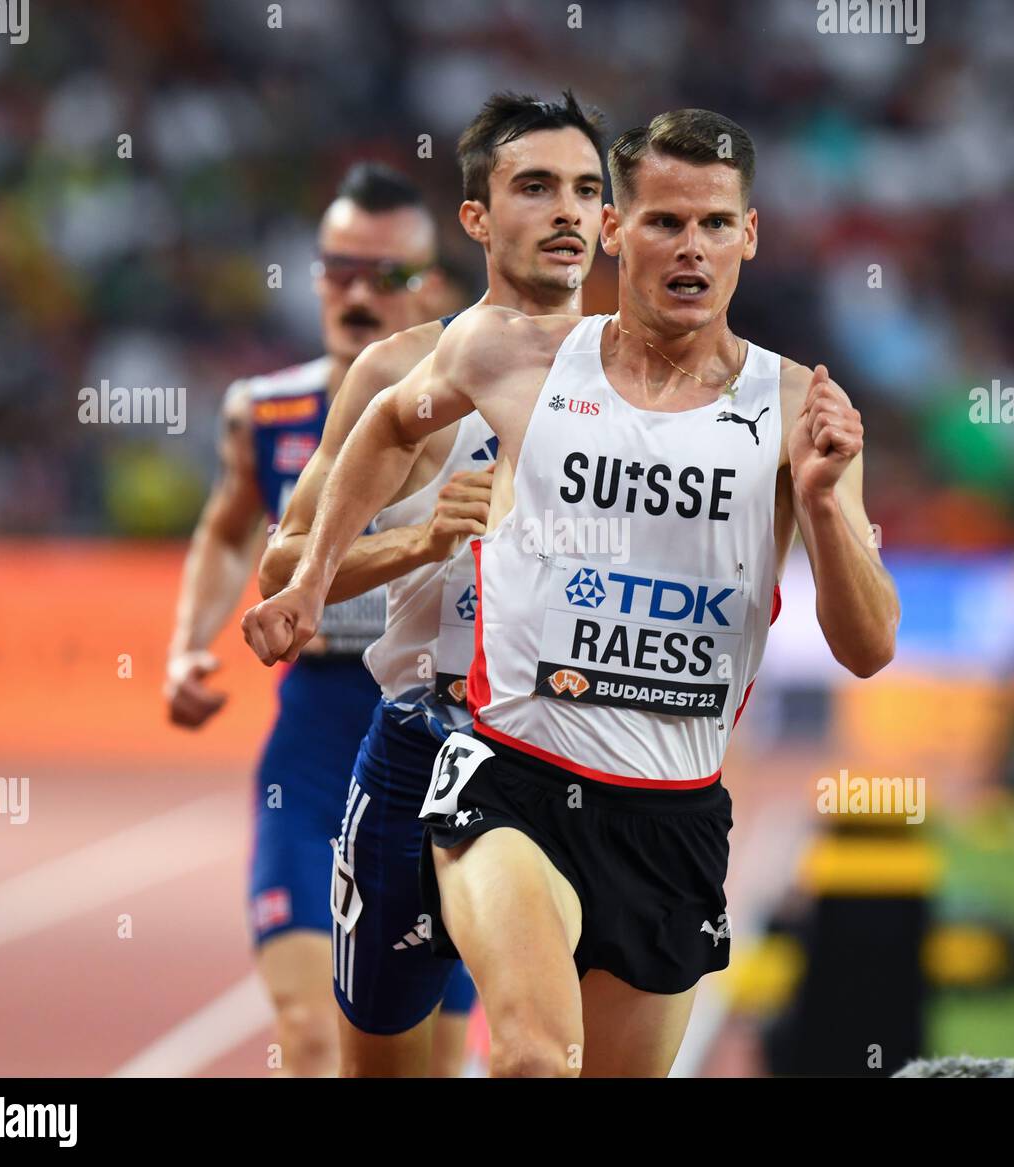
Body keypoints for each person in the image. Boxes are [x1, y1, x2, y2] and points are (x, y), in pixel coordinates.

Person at [243, 108, 900, 1077]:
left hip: (670, 815)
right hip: (501, 775)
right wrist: (310, 579)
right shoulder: (509, 357)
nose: (691, 247)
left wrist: (826, 510)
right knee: (529, 1059)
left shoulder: (800, 408)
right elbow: (385, 424)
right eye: (665, 222)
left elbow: (868, 646)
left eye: (716, 224)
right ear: (618, 235)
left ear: (749, 237)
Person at [251, 90, 606, 1077]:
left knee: (538, 1053)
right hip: (419, 739)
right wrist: (419, 542)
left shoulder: (652, 386)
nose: (566, 210)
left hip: (571, 762)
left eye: (586, 189)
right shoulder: (399, 372)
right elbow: (285, 565)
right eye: (535, 186)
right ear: (478, 221)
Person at [164, 162, 448, 1076]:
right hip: (316, 743)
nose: (358, 293)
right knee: (309, 1027)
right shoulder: (267, 411)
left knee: (426, 1059)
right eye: (339, 268)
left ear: (433, 286)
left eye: (388, 274)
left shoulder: (490, 407)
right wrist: (183, 648)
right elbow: (223, 532)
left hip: (440, 738)